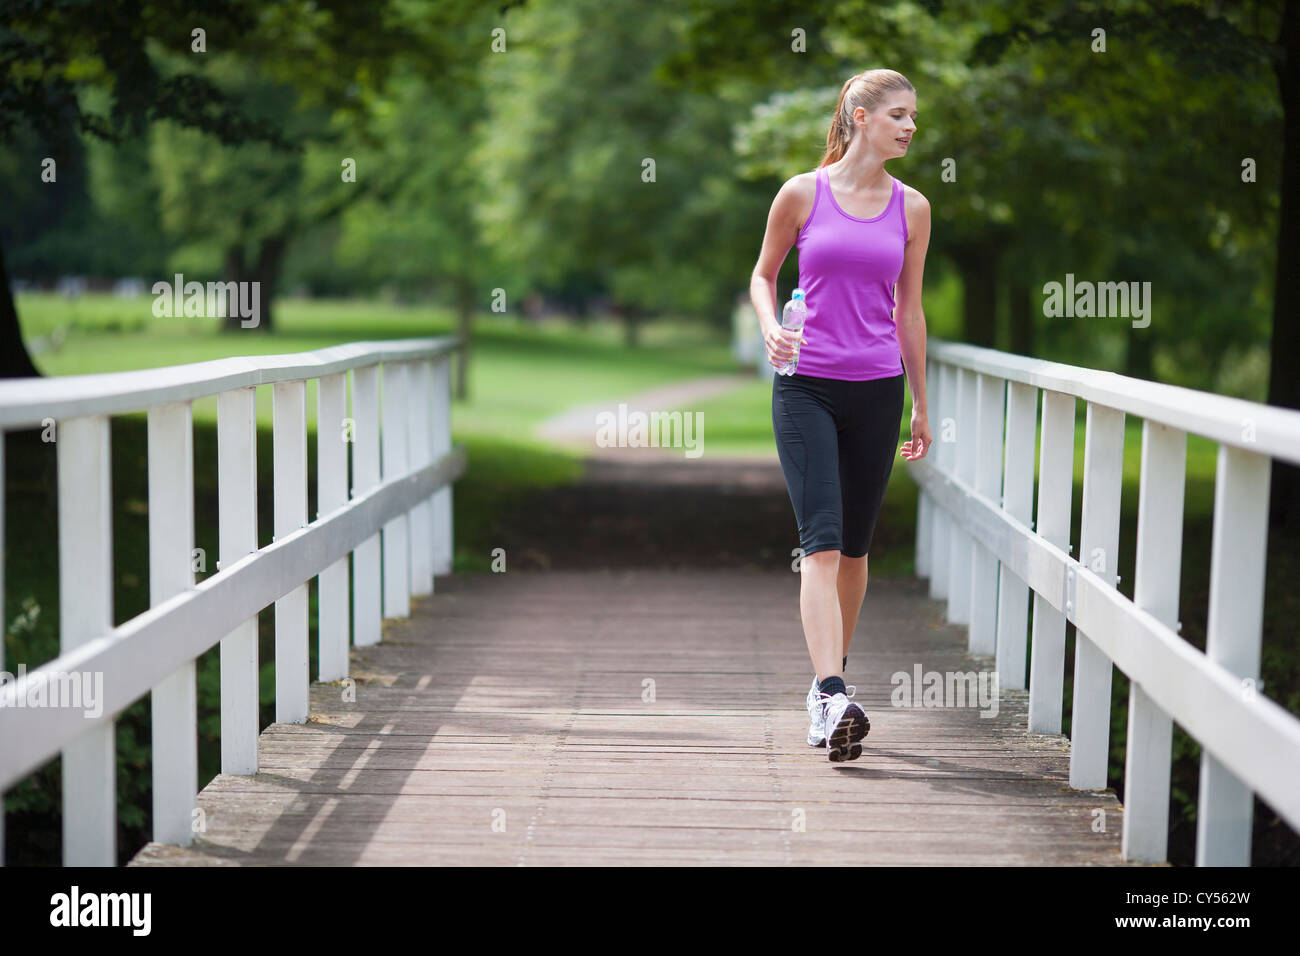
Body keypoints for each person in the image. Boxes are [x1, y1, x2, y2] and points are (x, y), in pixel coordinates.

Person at [748, 69, 933, 762]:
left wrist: (921, 400)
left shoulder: (912, 207)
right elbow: (763, 275)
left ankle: (829, 693)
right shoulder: (803, 193)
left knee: (856, 551)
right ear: (860, 117)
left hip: (878, 390)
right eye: (898, 115)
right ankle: (830, 691)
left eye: (914, 117)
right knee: (820, 544)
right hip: (807, 389)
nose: (910, 127)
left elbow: (909, 309)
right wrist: (770, 325)